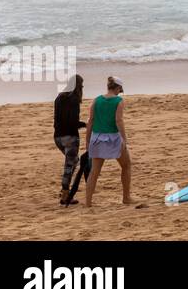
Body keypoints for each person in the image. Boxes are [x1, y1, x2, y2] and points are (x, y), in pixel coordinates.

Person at [83, 76, 132, 208]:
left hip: (97, 138)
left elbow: (91, 121)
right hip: (112, 138)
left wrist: (87, 140)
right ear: (117, 88)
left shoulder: (97, 100)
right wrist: (124, 138)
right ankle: (126, 197)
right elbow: (118, 121)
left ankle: (88, 202)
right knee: (126, 165)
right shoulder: (118, 101)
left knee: (94, 172)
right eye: (120, 89)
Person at [53, 75, 85, 204]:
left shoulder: (59, 97)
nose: (83, 87)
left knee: (74, 161)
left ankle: (65, 192)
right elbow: (72, 122)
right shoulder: (74, 100)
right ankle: (65, 194)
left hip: (58, 137)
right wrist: (85, 125)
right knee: (68, 166)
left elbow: (57, 119)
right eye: (81, 85)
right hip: (70, 137)